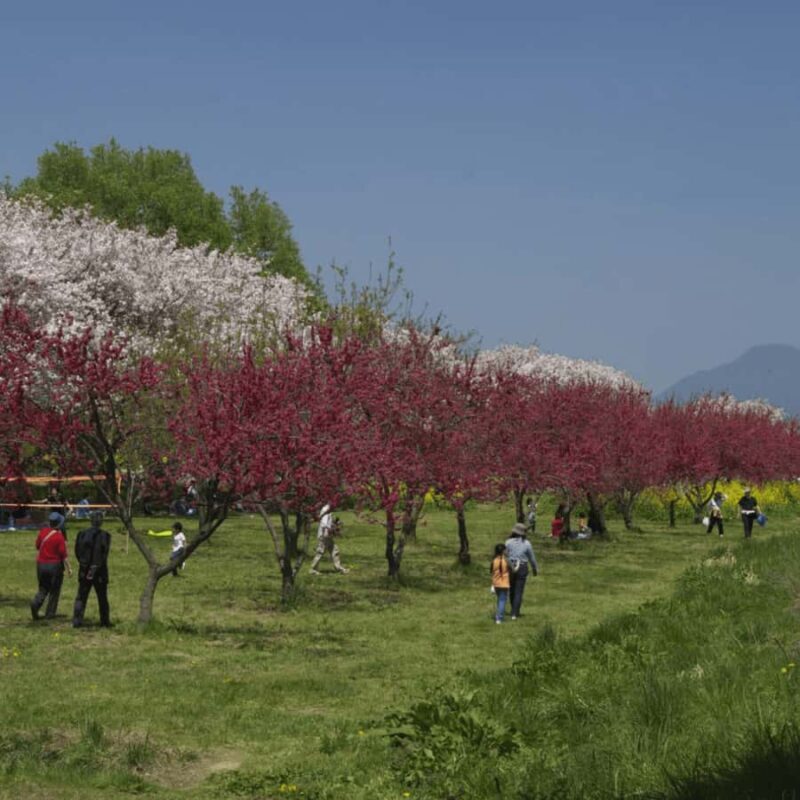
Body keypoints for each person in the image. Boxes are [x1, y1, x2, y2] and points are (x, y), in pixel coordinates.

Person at [72, 511, 112, 628]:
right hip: (99, 571)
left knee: (81, 596)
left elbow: (77, 551)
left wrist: (83, 564)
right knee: (102, 597)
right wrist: (95, 566)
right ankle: (105, 621)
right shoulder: (105, 536)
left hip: (85, 569)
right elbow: (104, 555)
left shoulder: (82, 534)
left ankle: (77, 621)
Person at [30, 512, 72, 620]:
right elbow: (63, 555)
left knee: (43, 588)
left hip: (41, 565)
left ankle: (35, 604)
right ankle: (50, 614)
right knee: (54, 590)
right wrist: (69, 568)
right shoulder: (59, 536)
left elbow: (37, 546)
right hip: (54, 566)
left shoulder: (42, 532)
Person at [504, 522, 539, 620]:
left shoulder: (508, 542)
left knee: (512, 589)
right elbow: (532, 558)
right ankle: (515, 613)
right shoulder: (527, 543)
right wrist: (535, 568)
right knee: (519, 591)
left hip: (510, 567)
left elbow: (505, 555)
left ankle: (513, 609)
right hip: (522, 567)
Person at [309, 504, 349, 575]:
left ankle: (338, 568)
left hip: (327, 536)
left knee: (334, 550)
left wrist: (334, 523)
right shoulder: (326, 510)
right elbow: (324, 524)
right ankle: (313, 569)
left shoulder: (328, 511)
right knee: (320, 552)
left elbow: (326, 522)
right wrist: (332, 530)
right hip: (324, 536)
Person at [490, 543, 511, 623]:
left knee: (499, 599)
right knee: (502, 600)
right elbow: (512, 569)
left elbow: (491, 571)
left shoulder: (494, 560)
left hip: (496, 583)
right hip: (504, 583)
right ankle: (499, 618)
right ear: (503, 551)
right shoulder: (506, 560)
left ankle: (498, 614)